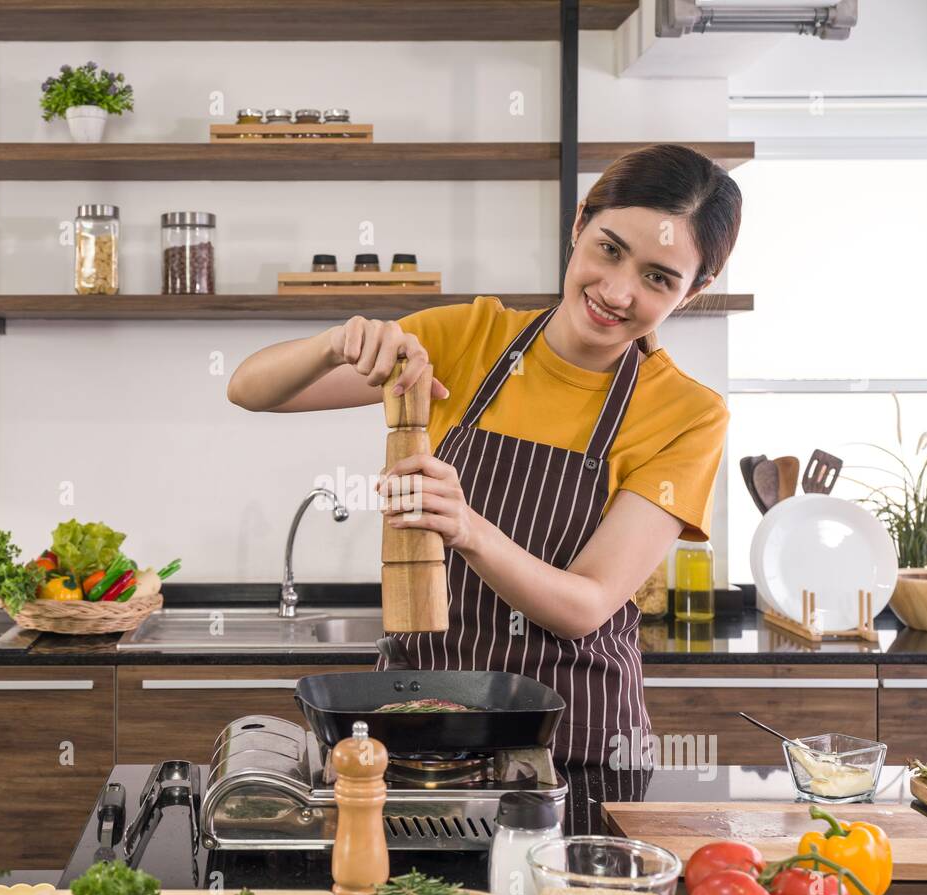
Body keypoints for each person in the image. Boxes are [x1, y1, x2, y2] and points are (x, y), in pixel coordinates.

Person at [228, 143, 741, 765]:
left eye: (657, 278)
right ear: (579, 223)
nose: (616, 291)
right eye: (609, 249)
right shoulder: (469, 338)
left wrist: (467, 529)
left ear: (695, 289)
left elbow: (584, 606)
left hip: (572, 737)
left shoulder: (686, 413)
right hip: (420, 718)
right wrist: (336, 344)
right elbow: (251, 390)